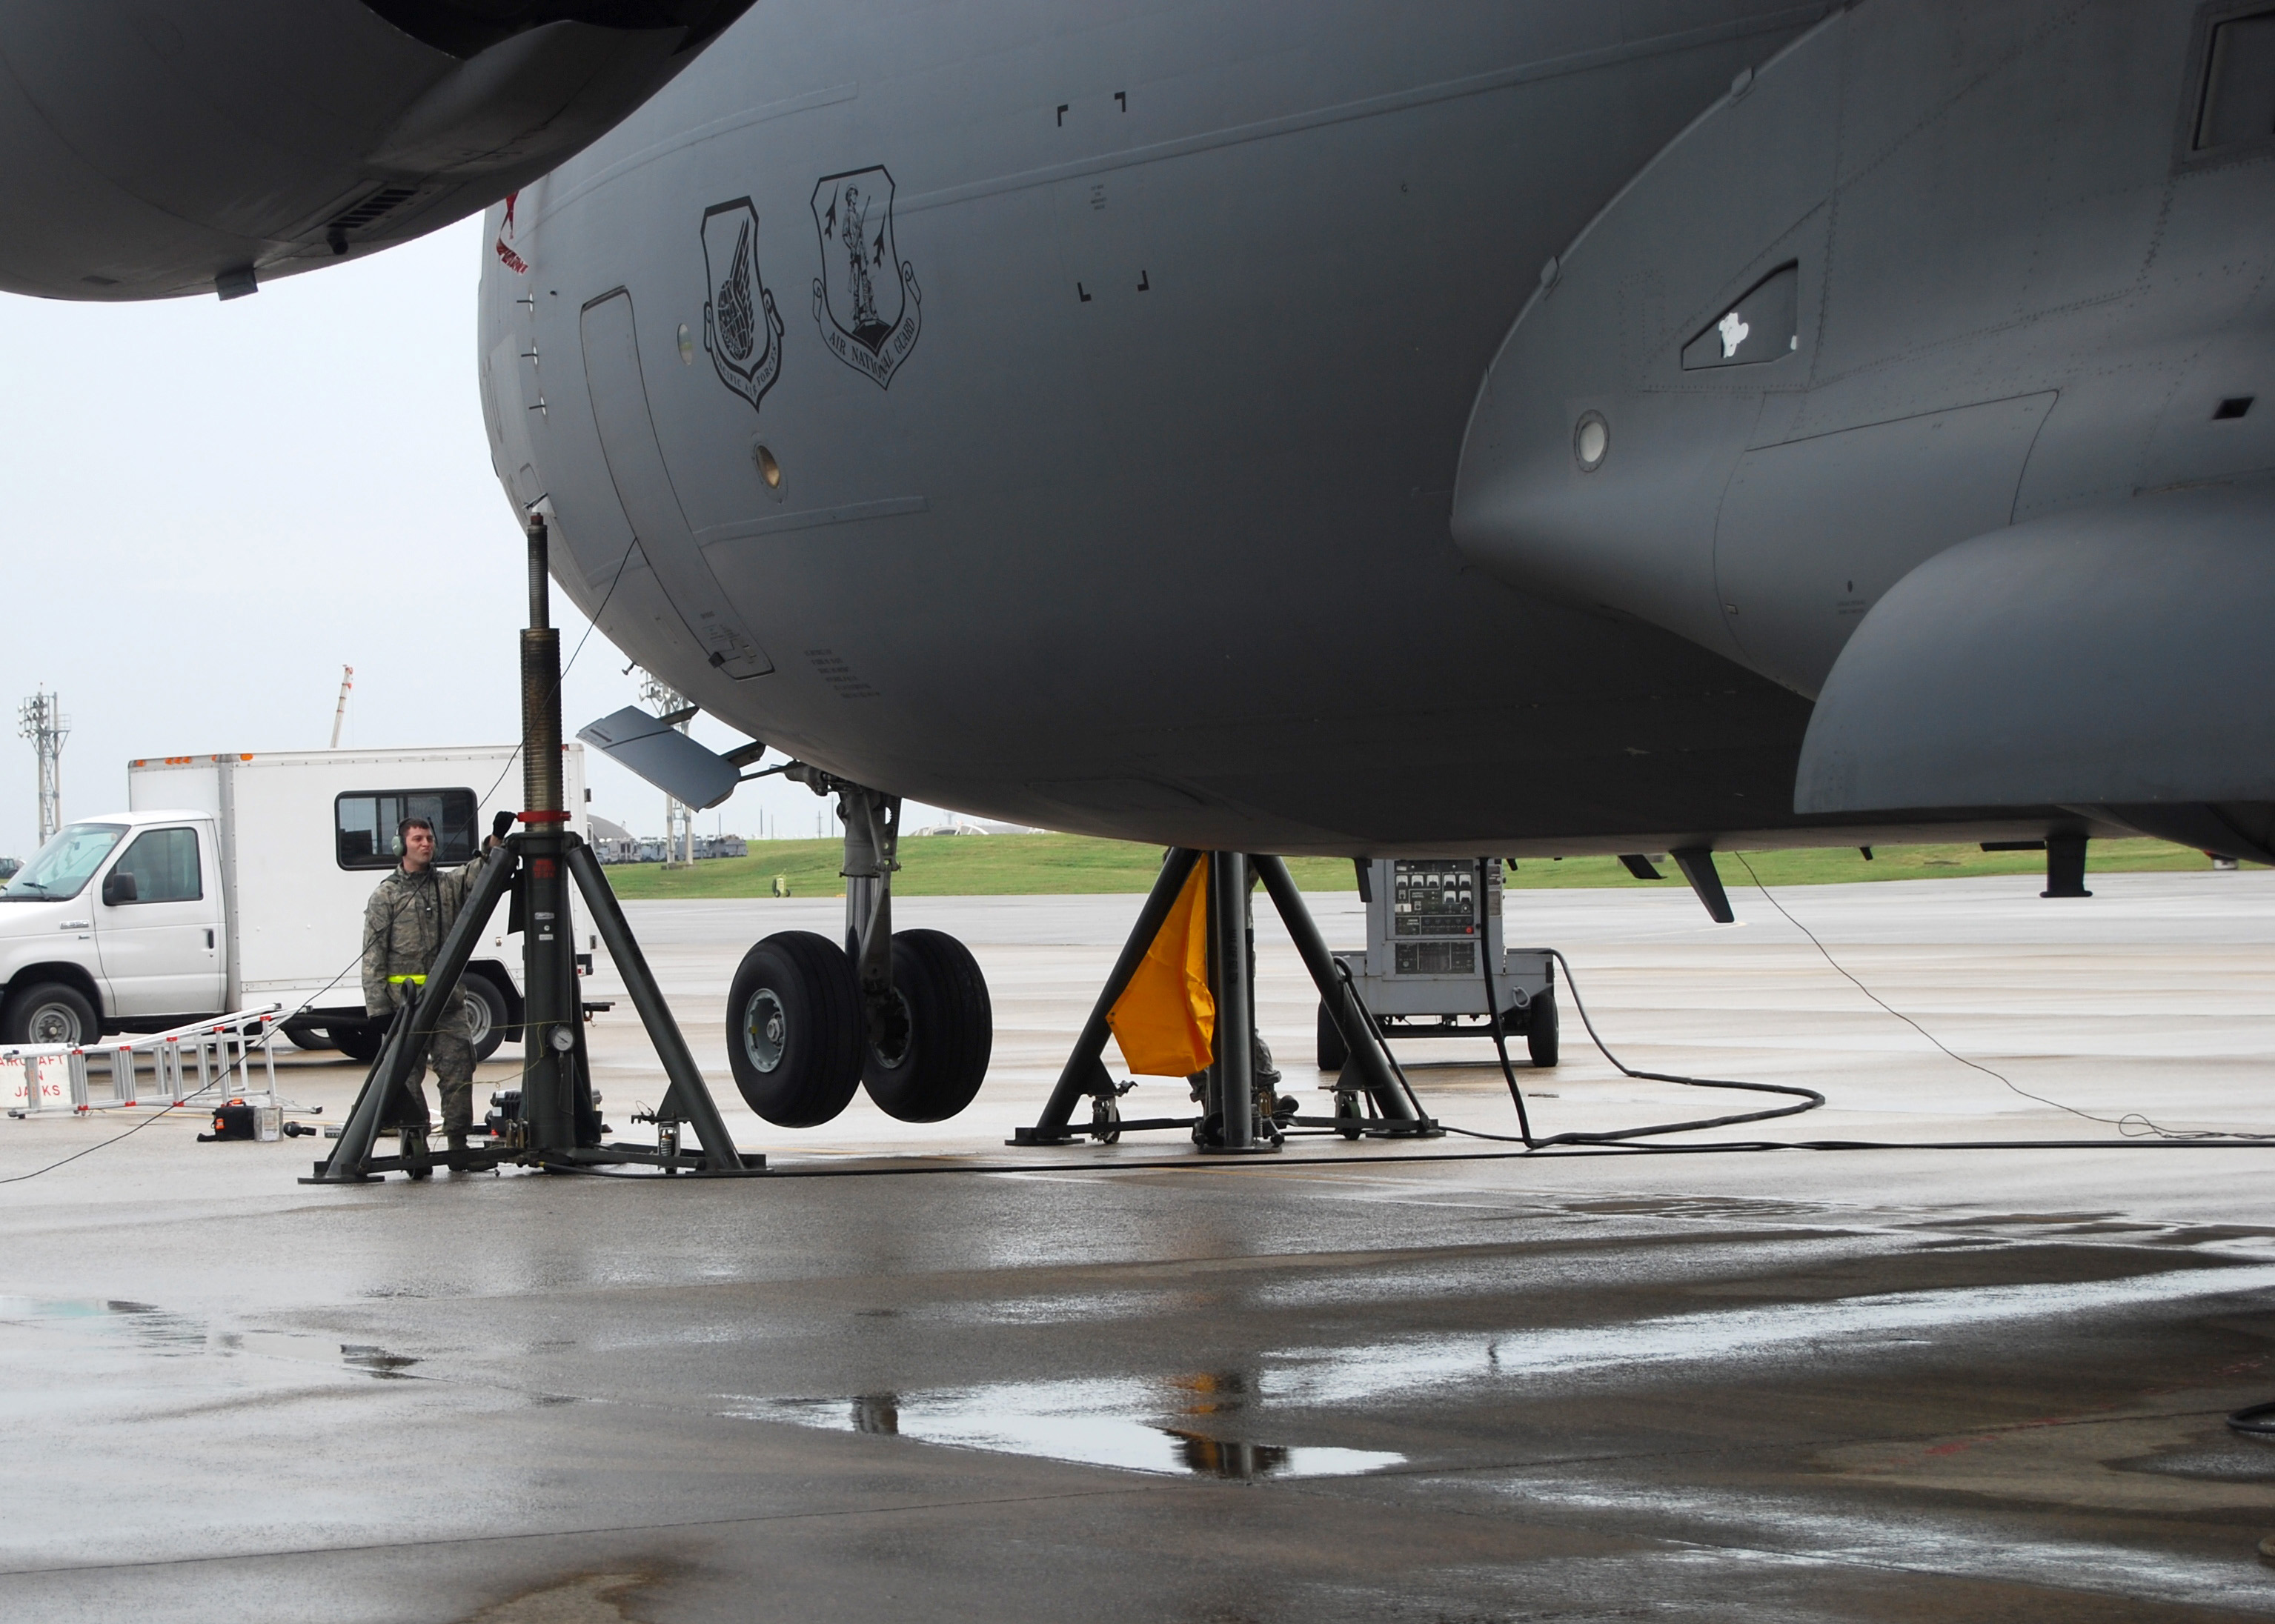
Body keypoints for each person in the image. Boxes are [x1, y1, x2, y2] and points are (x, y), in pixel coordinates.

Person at [360, 813, 504, 1173]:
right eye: (417, 839)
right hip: (404, 1009)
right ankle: (415, 1147)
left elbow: (477, 875)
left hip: (448, 1005)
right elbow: (373, 956)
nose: (425, 844)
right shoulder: (386, 896)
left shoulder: (447, 887)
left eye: (429, 838)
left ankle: (458, 1148)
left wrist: (495, 841)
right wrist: (378, 1010)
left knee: (458, 1074)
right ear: (401, 846)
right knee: (405, 1081)